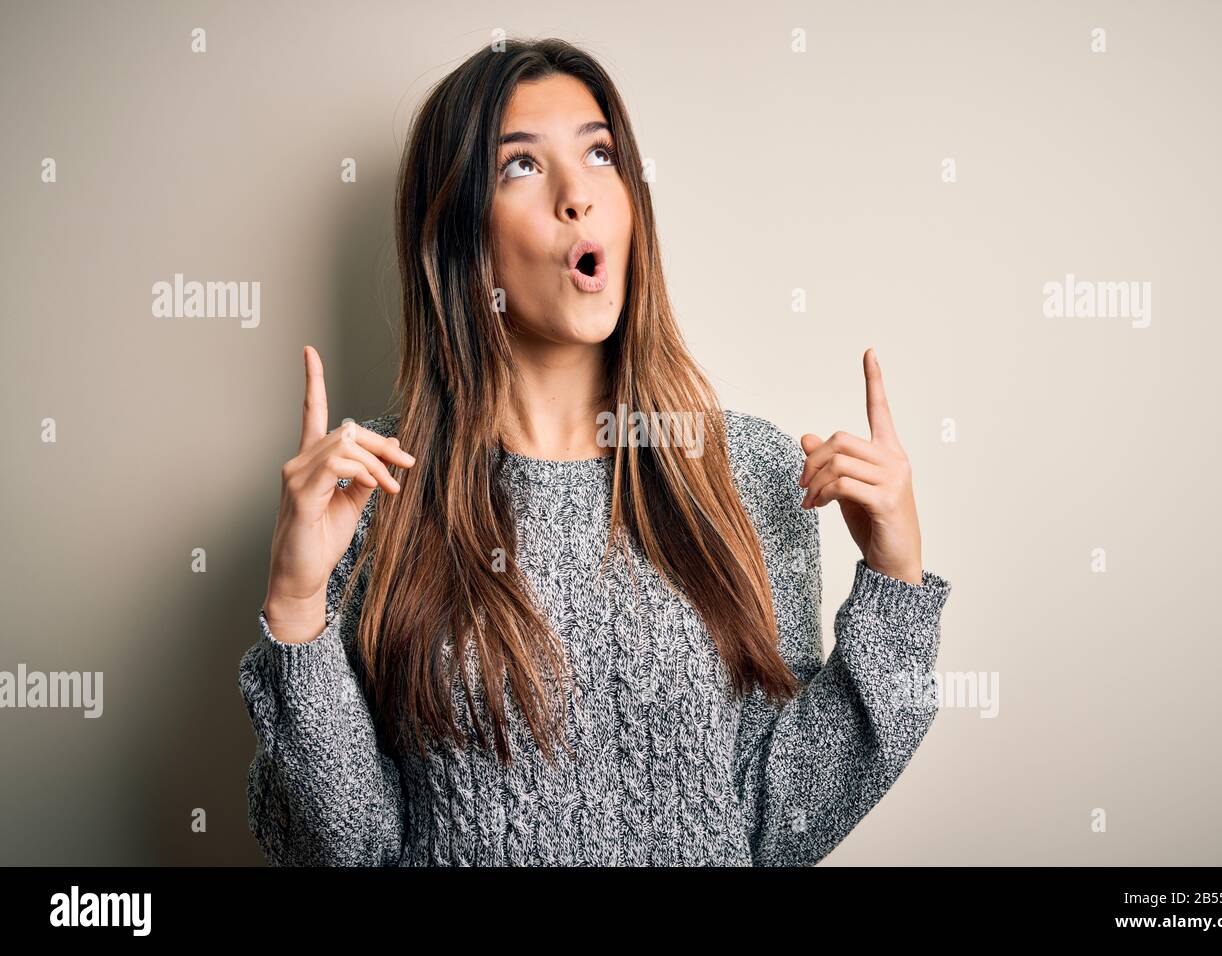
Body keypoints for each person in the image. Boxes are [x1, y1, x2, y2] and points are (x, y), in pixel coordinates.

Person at [237, 36, 952, 867]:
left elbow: (776, 817)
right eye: (521, 168)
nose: (578, 194)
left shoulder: (744, 475)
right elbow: (343, 851)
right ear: (461, 234)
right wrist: (296, 609)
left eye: (600, 153)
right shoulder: (368, 502)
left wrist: (896, 583)